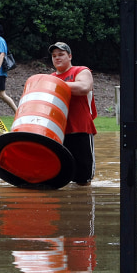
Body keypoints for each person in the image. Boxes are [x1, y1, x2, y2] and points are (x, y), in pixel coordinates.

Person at [49, 42, 97, 186]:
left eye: (61, 54)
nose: (57, 58)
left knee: (83, 179)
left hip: (80, 128)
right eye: (54, 56)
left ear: (70, 56)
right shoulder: (50, 77)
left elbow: (83, 87)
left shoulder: (81, 71)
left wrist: (52, 84)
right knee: (60, 176)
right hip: (57, 131)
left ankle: (84, 204)